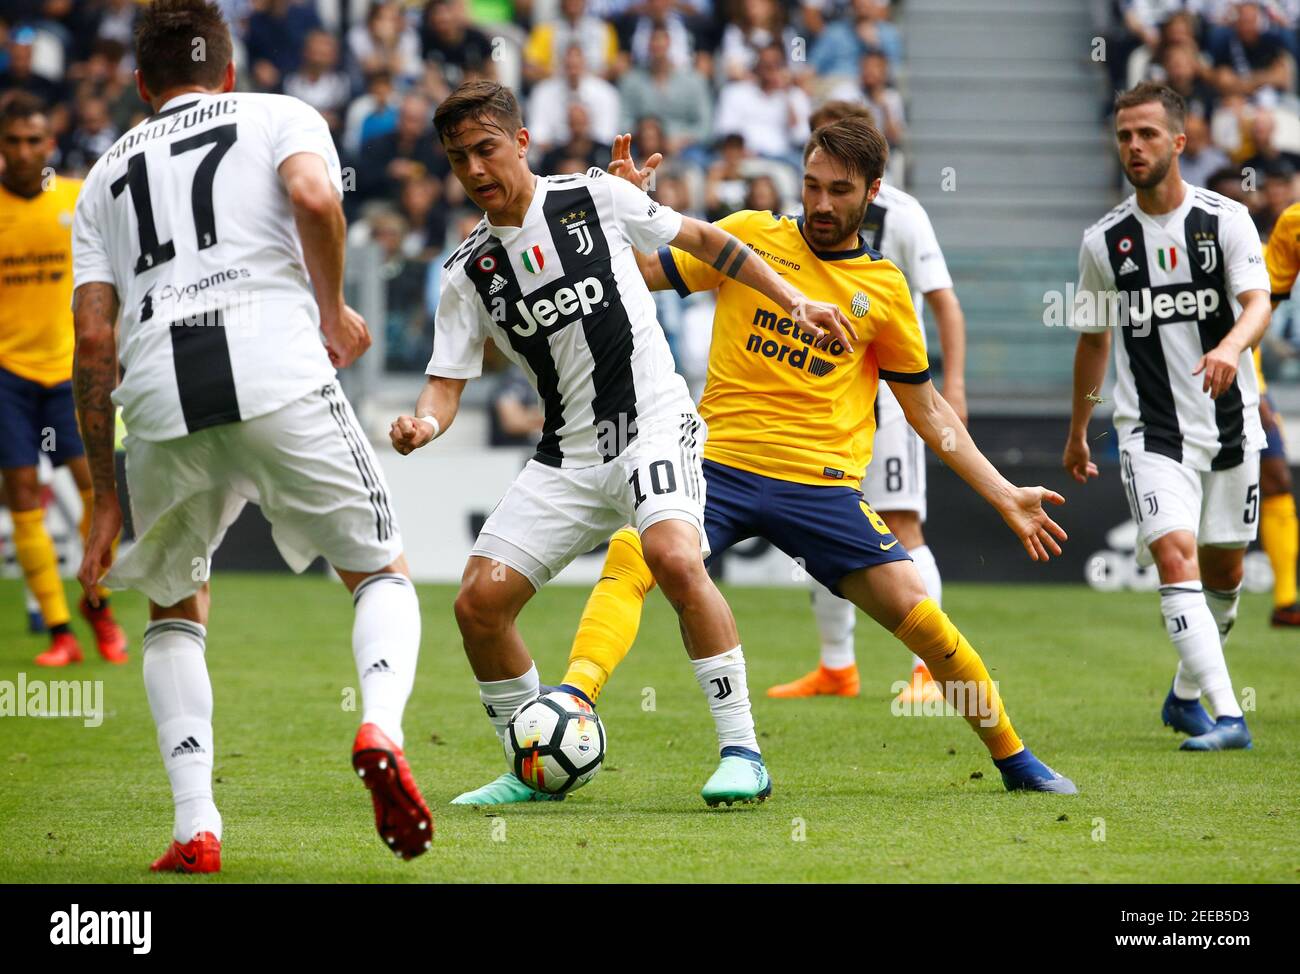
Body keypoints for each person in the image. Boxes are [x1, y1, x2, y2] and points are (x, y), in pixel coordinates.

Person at [550, 117, 1079, 798]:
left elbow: (928, 413)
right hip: (716, 466)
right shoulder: (750, 236)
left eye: (839, 191)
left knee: (922, 618)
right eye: (810, 185)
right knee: (635, 554)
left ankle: (1014, 757)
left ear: (872, 193)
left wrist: (1003, 492)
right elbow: (644, 275)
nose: (821, 204)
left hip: (820, 486)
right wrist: (625, 215)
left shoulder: (884, 291)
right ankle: (571, 703)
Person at [388, 80, 855, 807]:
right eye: (457, 159)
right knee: (478, 602)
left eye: (485, 149)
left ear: (520, 142)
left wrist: (795, 300)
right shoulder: (466, 273)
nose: (475, 170)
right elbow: (445, 383)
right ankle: (531, 765)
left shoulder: (593, 198)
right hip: (567, 456)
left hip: (653, 425)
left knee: (672, 555)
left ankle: (743, 753)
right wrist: (424, 423)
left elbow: (705, 242)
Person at [71, 0, 432, 873]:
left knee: (174, 607)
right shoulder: (279, 113)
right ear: (228, 71)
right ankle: (378, 727)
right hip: (276, 369)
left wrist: (102, 499)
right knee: (378, 571)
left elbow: (90, 342)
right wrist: (333, 309)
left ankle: (197, 824)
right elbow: (313, 195)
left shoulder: (101, 177)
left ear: (139, 81)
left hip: (159, 399)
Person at [1065, 82, 1269, 752]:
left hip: (1233, 424)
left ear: (1178, 141)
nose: (1134, 146)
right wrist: (1077, 432)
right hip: (1151, 433)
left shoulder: (1226, 220)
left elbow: (1258, 304)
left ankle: (1185, 698)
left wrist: (1230, 347)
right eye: (1125, 135)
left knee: (1226, 578)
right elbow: (1093, 341)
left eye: (1148, 134)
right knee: (1175, 558)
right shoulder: (1104, 242)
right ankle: (1227, 716)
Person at [766, 100, 969, 706]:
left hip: (890, 391)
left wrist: (951, 387)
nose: (823, 194)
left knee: (902, 524)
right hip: (820, 395)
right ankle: (836, 668)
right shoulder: (796, 220)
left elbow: (943, 302)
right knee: (815, 528)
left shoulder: (903, 215)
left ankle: (928, 670)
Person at [0, 92, 128, 667]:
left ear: (50, 145)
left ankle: (97, 605)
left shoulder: (78, 201)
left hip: (73, 373)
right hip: (8, 377)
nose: (24, 152)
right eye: (14, 141)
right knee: (23, 497)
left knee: (98, 492)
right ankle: (60, 632)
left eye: (34, 140)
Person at [1254, 198, 1300, 626]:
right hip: (1203, 393)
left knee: (1278, 478)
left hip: (1251, 389)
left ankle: (1287, 600)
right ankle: (1185, 593)